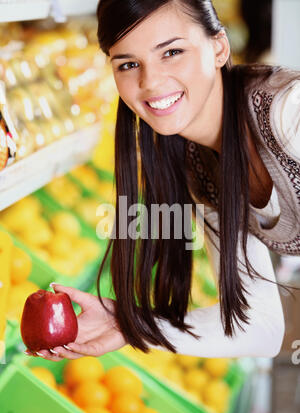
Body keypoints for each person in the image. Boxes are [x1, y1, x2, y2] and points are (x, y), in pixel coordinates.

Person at [26, 0, 300, 362]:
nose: (150, 82)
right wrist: (130, 324)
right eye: (128, 64)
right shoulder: (201, 167)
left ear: (218, 47)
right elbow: (258, 327)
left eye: (171, 52)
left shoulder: (287, 111)